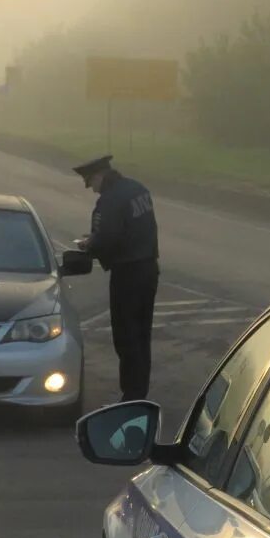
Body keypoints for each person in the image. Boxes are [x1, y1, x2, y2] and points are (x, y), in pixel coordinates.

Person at [74, 155, 160, 402]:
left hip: (128, 274)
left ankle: (130, 395)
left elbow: (107, 237)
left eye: (90, 182)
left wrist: (88, 245)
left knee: (126, 336)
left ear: (100, 176)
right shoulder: (138, 189)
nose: (91, 188)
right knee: (143, 335)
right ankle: (139, 390)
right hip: (148, 270)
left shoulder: (110, 200)